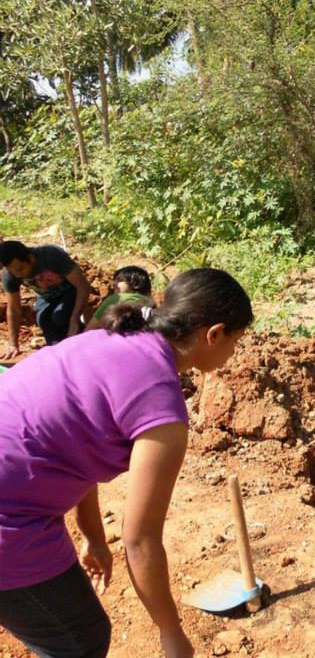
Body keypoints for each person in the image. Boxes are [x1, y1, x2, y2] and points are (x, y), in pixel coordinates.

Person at [0, 267, 253, 658]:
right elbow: (139, 540)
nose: (234, 352)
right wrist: (171, 634)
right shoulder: (161, 407)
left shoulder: (106, 338)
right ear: (214, 333)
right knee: (79, 641)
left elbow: (73, 440)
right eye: (236, 340)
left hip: (14, 494)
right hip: (9, 524)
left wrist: (93, 535)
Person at [0, 240, 92, 357]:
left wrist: (74, 319)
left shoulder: (51, 256)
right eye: (13, 272)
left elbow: (82, 286)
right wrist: (13, 344)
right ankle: (62, 356)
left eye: (21, 269)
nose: (18, 275)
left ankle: (86, 345)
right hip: (47, 297)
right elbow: (14, 309)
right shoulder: (10, 273)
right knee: (43, 320)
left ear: (31, 258)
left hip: (70, 290)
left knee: (60, 316)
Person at [86, 265, 154, 331]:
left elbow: (90, 329)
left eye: (120, 280)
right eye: (115, 280)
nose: (114, 283)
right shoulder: (150, 302)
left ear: (136, 284)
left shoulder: (115, 299)